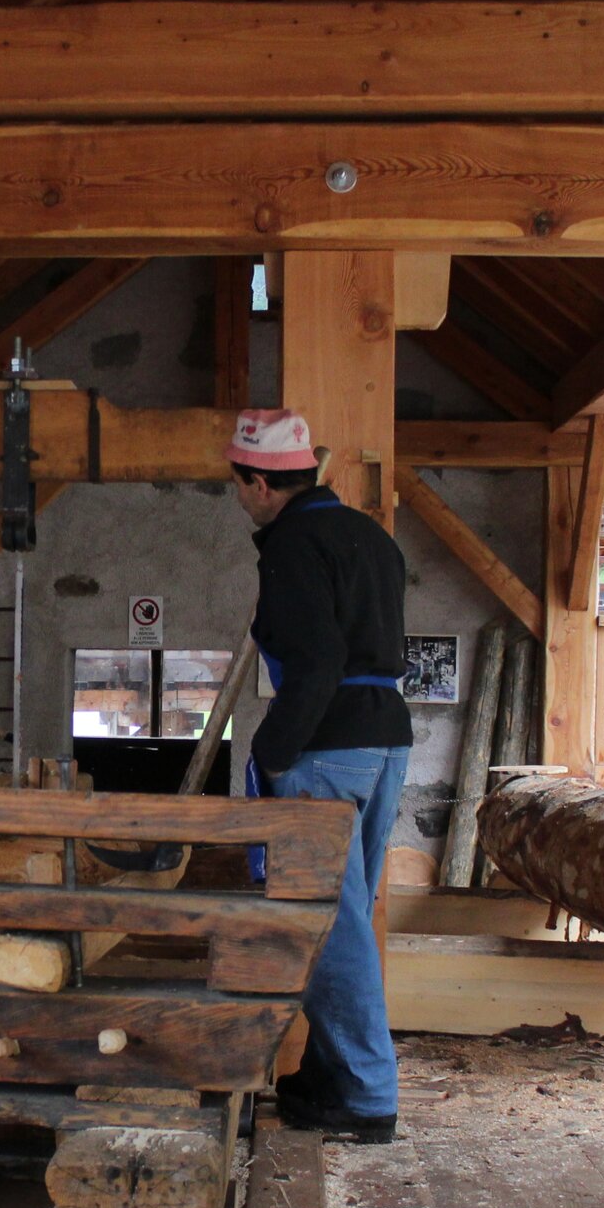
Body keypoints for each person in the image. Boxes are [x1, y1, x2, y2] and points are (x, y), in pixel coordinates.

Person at [227, 408, 411, 1144]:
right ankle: (335, 1074)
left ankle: (367, 1094)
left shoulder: (294, 545)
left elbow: (316, 664)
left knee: (327, 925)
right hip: (385, 739)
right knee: (348, 915)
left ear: (261, 481)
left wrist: (272, 753)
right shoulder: (372, 538)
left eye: (240, 486)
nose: (240, 499)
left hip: (326, 745)